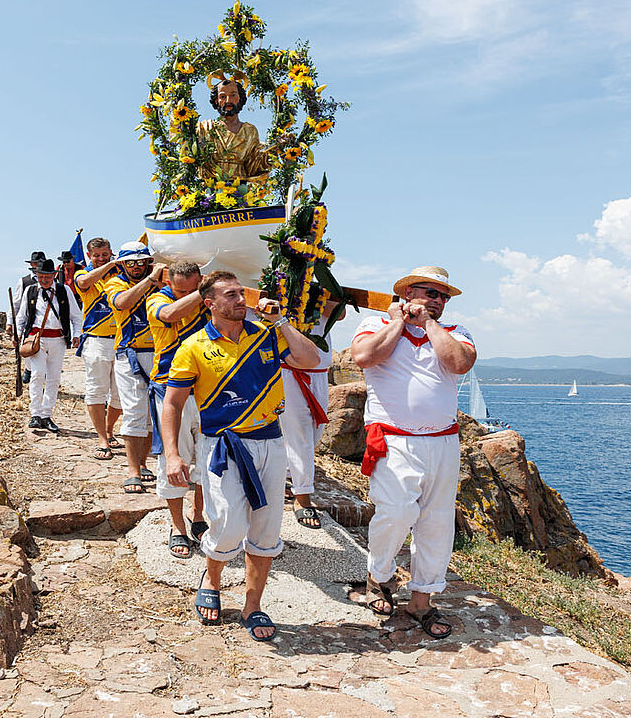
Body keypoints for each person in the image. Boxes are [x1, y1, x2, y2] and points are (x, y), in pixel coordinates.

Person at [162, 270, 320, 641]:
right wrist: (173, 454)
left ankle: (253, 604)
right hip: (222, 445)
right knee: (229, 526)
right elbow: (172, 402)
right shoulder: (193, 346)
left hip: (270, 441)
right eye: (230, 295)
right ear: (210, 304)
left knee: (266, 530)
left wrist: (279, 320)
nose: (240, 299)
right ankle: (212, 579)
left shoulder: (266, 336)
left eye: (240, 293)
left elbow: (310, 358)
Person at [350, 266, 475, 639]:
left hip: (442, 442)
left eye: (443, 296)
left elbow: (459, 363)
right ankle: (379, 577)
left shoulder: (455, 333)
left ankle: (422, 599)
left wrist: (430, 325)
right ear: (408, 293)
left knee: (436, 522)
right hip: (393, 439)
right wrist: (398, 323)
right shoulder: (375, 325)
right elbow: (365, 357)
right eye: (429, 293)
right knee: (396, 512)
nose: (437, 301)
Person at [145, 261, 209, 558]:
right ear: (169, 283)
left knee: (207, 458)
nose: (186, 294)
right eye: (180, 289)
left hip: (208, 388)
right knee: (174, 458)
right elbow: (170, 314)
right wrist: (203, 293)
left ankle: (198, 517)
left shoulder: (208, 301)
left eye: (192, 288)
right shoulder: (156, 299)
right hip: (170, 388)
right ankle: (176, 527)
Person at [103, 242, 165, 493]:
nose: (137, 266)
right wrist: (151, 280)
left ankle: (144, 462)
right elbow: (122, 303)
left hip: (158, 352)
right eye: (132, 262)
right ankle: (133, 471)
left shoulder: (157, 283)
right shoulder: (114, 283)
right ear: (122, 264)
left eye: (142, 262)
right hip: (130, 353)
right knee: (134, 410)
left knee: (154, 413)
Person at [280, 309, 339, 529]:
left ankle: (288, 476)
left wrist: (319, 295)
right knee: (300, 434)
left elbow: (338, 315)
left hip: (320, 371)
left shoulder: (323, 287)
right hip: (289, 369)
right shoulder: (282, 285)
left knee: (314, 432)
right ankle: (302, 498)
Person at [14, 258, 81, 433]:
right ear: (37, 275)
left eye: (47, 277)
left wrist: (77, 334)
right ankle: (35, 414)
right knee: (37, 375)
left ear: (53, 276)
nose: (44, 280)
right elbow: (21, 317)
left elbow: (76, 315)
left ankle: (46, 414)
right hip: (37, 339)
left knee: (53, 378)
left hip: (58, 340)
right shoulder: (30, 291)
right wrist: (18, 335)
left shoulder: (64, 290)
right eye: (41, 276)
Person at [74, 238, 125, 459]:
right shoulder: (81, 273)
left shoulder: (121, 276)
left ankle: (109, 428)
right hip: (96, 339)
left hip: (122, 340)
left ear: (111, 252)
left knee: (121, 394)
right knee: (97, 390)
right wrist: (111, 265)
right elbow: (84, 283)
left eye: (105, 254)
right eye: (97, 255)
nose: (102, 258)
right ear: (89, 256)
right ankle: (102, 439)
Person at [196, 75, 289, 185]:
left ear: (240, 98)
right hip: (210, 188)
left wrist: (274, 146)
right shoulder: (204, 128)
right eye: (222, 96)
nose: (228, 100)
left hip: (240, 188)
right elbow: (186, 146)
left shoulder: (249, 130)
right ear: (216, 101)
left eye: (233, 95)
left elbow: (255, 164)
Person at [7, 251, 47, 385]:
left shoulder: (52, 280)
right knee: (29, 349)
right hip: (29, 322)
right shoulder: (24, 282)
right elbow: (16, 305)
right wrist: (10, 323)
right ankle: (29, 370)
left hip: (46, 323)